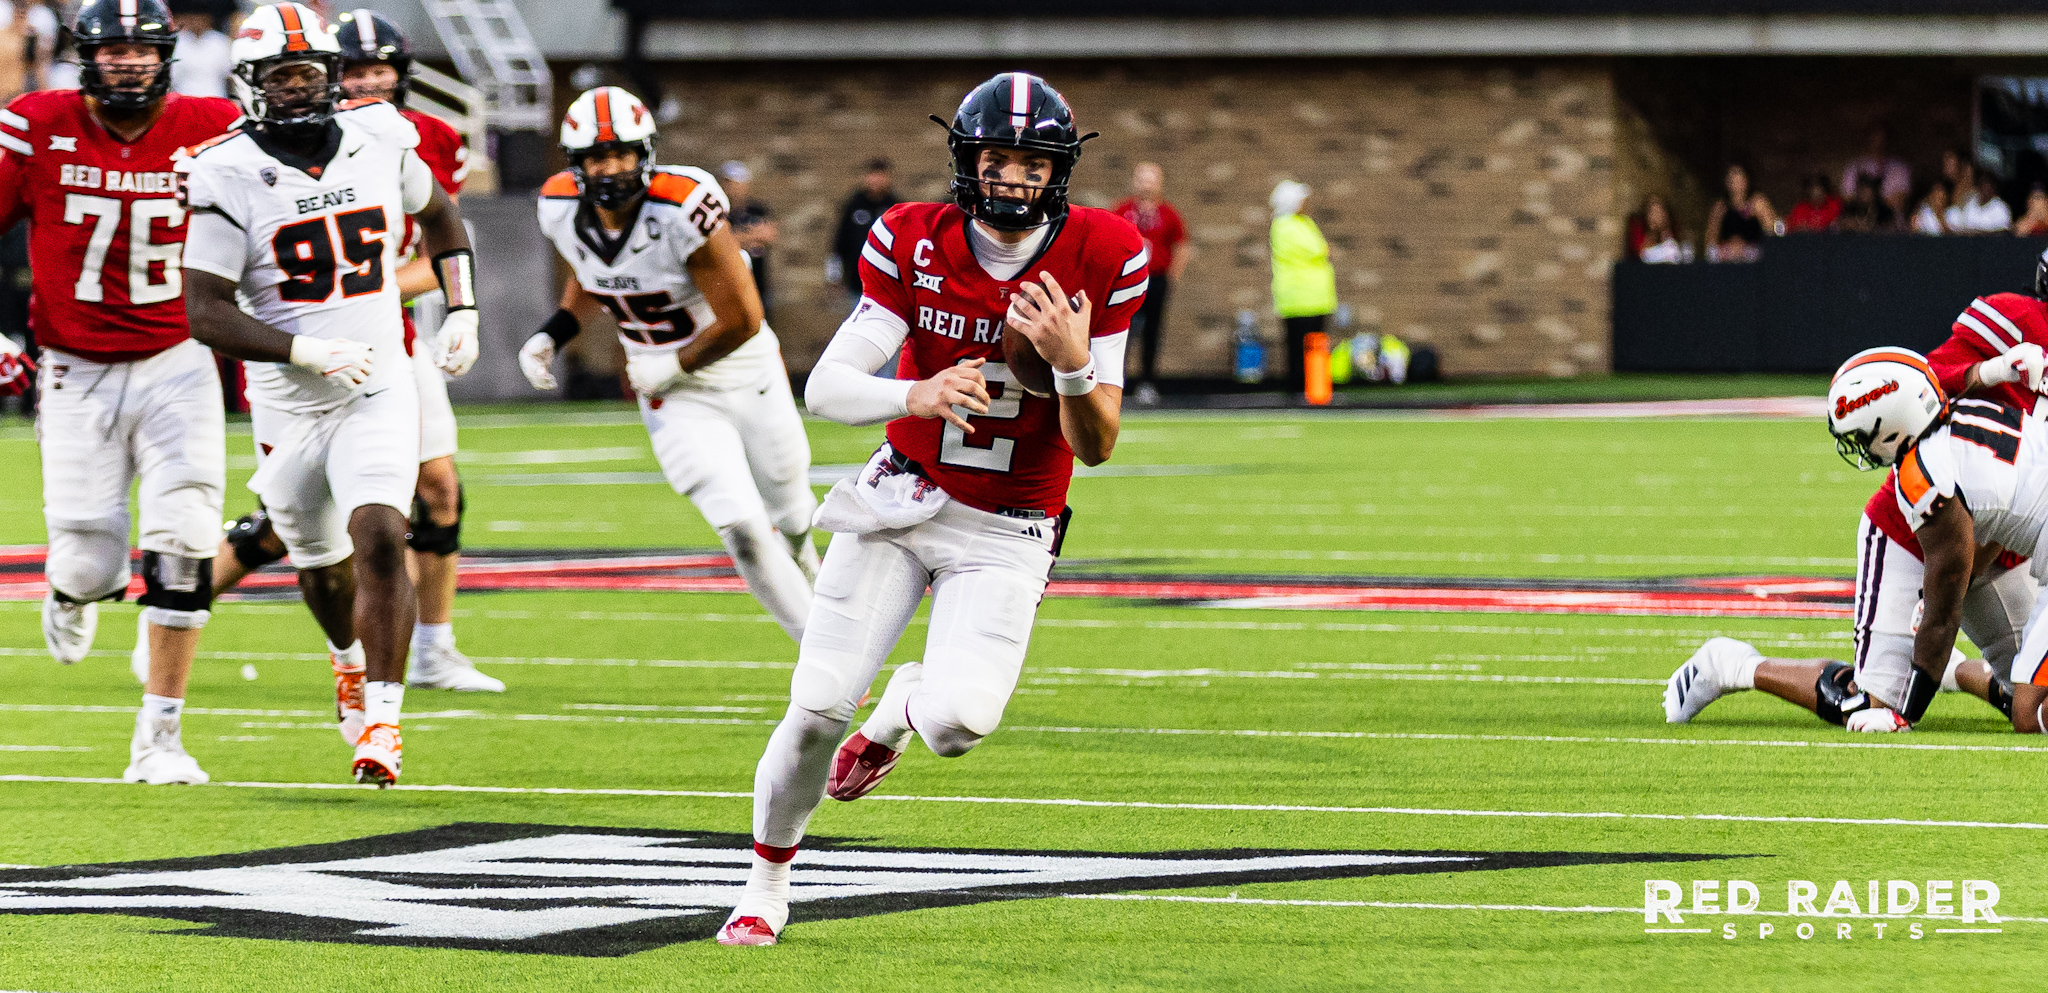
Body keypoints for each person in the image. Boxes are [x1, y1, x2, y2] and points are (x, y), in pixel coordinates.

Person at [719, 71, 1146, 947]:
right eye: (999, 159)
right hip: (900, 500)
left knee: (958, 723)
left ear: (1058, 171)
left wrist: (1069, 363)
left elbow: (1097, 446)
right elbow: (826, 387)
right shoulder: (913, 237)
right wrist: (913, 393)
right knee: (814, 706)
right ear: (967, 159)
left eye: (1033, 164)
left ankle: (902, 706)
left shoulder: (1104, 251)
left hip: (1012, 521)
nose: (1014, 179)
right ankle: (765, 883)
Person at [176, 1, 481, 786]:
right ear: (251, 83)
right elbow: (203, 309)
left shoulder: (381, 135)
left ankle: (382, 720)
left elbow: (443, 218)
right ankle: (345, 658)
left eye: (309, 72)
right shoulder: (223, 168)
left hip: (378, 378)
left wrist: (466, 308)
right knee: (320, 562)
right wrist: (302, 347)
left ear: (332, 76)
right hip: (288, 397)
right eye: (280, 75)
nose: (297, 88)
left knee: (383, 531)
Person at [0, 0, 241, 786]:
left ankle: (160, 736)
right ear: (86, 56)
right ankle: (70, 588)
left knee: (185, 539)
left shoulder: (215, 123)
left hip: (179, 358)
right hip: (75, 368)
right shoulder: (38, 123)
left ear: (168, 55)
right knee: (90, 558)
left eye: (144, 51)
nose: (130, 64)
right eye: (114, 52)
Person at [1668, 272, 2048, 733]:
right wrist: (1989, 371)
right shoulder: (2020, 321)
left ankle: (1947, 669)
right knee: (1868, 704)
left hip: (2007, 531)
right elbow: (1922, 383)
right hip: (1915, 526)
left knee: (2025, 701)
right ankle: (1733, 665)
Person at [519, 87, 817, 644]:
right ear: (574, 164)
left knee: (794, 516)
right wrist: (553, 332)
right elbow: (593, 272)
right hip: (674, 396)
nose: (609, 169)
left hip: (741, 371)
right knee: (743, 528)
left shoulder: (683, 206)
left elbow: (744, 319)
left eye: (622, 154)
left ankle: (812, 577)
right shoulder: (559, 205)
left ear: (646, 154)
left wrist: (673, 365)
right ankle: (827, 657)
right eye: (595, 158)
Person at [1113, 162, 1188, 406]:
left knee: (1152, 332)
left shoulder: (1168, 213)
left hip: (1155, 280)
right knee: (1122, 331)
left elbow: (1181, 245)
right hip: (1127, 282)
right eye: (1142, 178)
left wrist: (1171, 276)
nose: (1147, 184)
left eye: (1151, 178)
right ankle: (1115, 382)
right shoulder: (1123, 210)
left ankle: (1147, 382)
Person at [1269, 179, 1335, 395]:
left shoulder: (1303, 222)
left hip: (1316, 296)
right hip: (1298, 297)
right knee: (1299, 348)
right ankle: (1298, 391)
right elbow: (1317, 249)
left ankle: (1316, 390)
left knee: (1315, 346)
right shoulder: (1284, 225)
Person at [830, 157, 897, 300]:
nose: (876, 180)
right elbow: (839, 242)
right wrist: (833, 277)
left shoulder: (895, 207)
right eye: (872, 175)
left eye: (880, 175)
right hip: (857, 284)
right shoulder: (853, 205)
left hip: (888, 285)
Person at [719, 160, 775, 303]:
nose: (732, 188)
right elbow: (721, 242)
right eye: (728, 183)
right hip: (728, 283)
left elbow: (769, 235)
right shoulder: (719, 211)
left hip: (756, 281)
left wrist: (738, 237)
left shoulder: (756, 209)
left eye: (735, 183)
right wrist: (752, 236)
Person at [1704, 163, 1776, 262]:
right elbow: (1710, 241)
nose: (1735, 183)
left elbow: (1772, 233)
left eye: (1739, 178)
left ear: (1746, 180)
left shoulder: (1758, 202)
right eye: (1731, 178)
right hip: (1727, 256)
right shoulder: (1720, 206)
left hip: (1754, 255)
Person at [1842, 125, 1911, 225]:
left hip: (1889, 225)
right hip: (1859, 225)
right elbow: (1847, 199)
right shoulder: (1855, 167)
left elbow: (1899, 202)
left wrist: (1874, 199)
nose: (1878, 144)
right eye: (1874, 139)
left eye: (1883, 140)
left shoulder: (1900, 168)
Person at [168, 7, 231, 98]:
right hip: (185, 99)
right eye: (194, 19)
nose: (197, 22)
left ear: (208, 19)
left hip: (215, 98)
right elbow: (173, 77)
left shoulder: (220, 42)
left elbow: (228, 74)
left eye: (201, 19)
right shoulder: (178, 42)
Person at [1629, 195, 1686, 262]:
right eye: (1652, 212)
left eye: (1659, 211)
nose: (1656, 215)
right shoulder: (1640, 230)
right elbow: (1640, 253)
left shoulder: (1671, 232)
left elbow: (1677, 253)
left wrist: (1664, 231)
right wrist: (1653, 233)